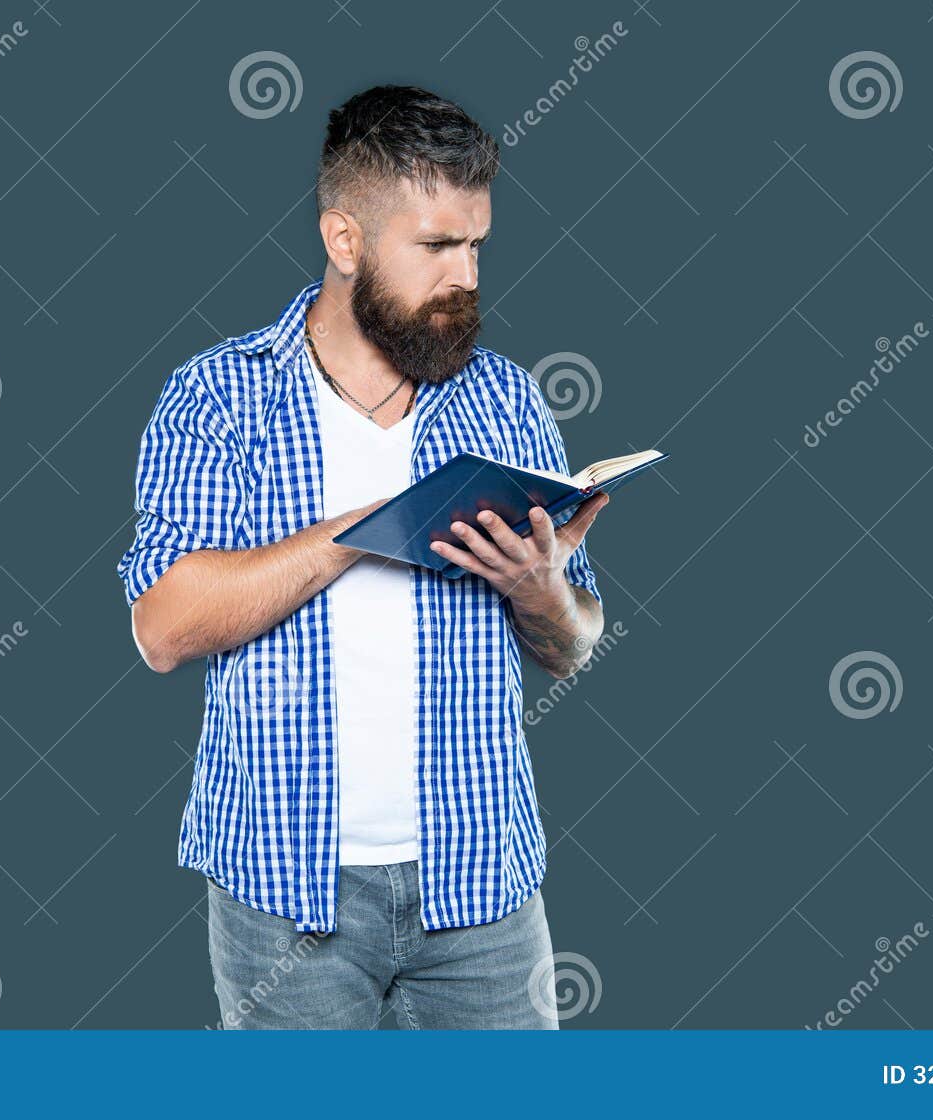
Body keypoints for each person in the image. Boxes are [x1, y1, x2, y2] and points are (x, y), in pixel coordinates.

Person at [117, 84, 609, 1029]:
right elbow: (162, 628)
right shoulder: (221, 398)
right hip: (282, 893)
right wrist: (366, 527)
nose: (465, 275)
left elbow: (574, 645)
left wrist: (542, 591)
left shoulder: (504, 401)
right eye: (435, 247)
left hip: (483, 890)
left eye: (476, 245)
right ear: (345, 241)